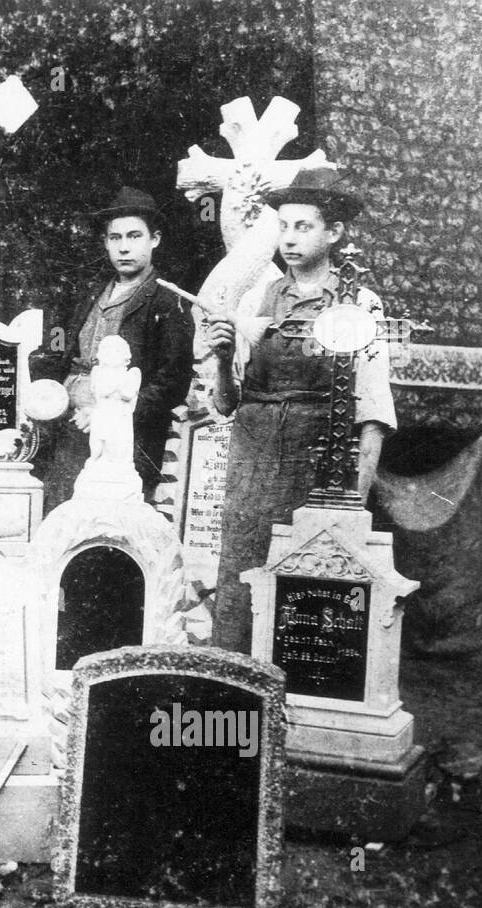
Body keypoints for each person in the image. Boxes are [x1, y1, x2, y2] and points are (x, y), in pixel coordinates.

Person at [206, 167, 396, 653]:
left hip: (318, 463)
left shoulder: (361, 303)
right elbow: (228, 405)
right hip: (252, 462)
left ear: (335, 233)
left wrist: (356, 501)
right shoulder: (259, 298)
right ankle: (233, 683)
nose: (289, 239)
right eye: (283, 227)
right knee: (242, 576)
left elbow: (372, 411)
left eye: (303, 227)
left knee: (309, 585)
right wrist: (223, 359)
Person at [30, 186, 194, 508]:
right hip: (66, 429)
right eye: (115, 238)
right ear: (106, 243)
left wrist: (111, 416)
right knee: (56, 518)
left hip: (125, 441)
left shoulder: (167, 302)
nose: (124, 247)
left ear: (155, 239)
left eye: (134, 236)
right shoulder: (89, 294)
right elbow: (58, 350)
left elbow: (171, 383)